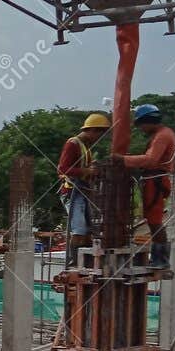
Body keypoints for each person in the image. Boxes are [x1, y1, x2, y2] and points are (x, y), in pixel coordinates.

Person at [121, 103, 175, 269]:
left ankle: (161, 259)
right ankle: (158, 258)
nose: (142, 129)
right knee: (152, 218)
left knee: (154, 220)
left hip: (156, 180)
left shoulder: (162, 136)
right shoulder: (163, 134)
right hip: (154, 179)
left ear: (148, 121)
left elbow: (150, 160)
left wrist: (123, 160)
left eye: (141, 125)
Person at [58, 112, 109, 269]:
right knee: (79, 229)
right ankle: (74, 262)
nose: (99, 138)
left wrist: (91, 167)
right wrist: (87, 172)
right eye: (100, 134)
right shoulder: (73, 143)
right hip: (72, 192)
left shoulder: (85, 146)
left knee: (88, 230)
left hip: (82, 192)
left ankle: (84, 262)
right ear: (93, 130)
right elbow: (63, 168)